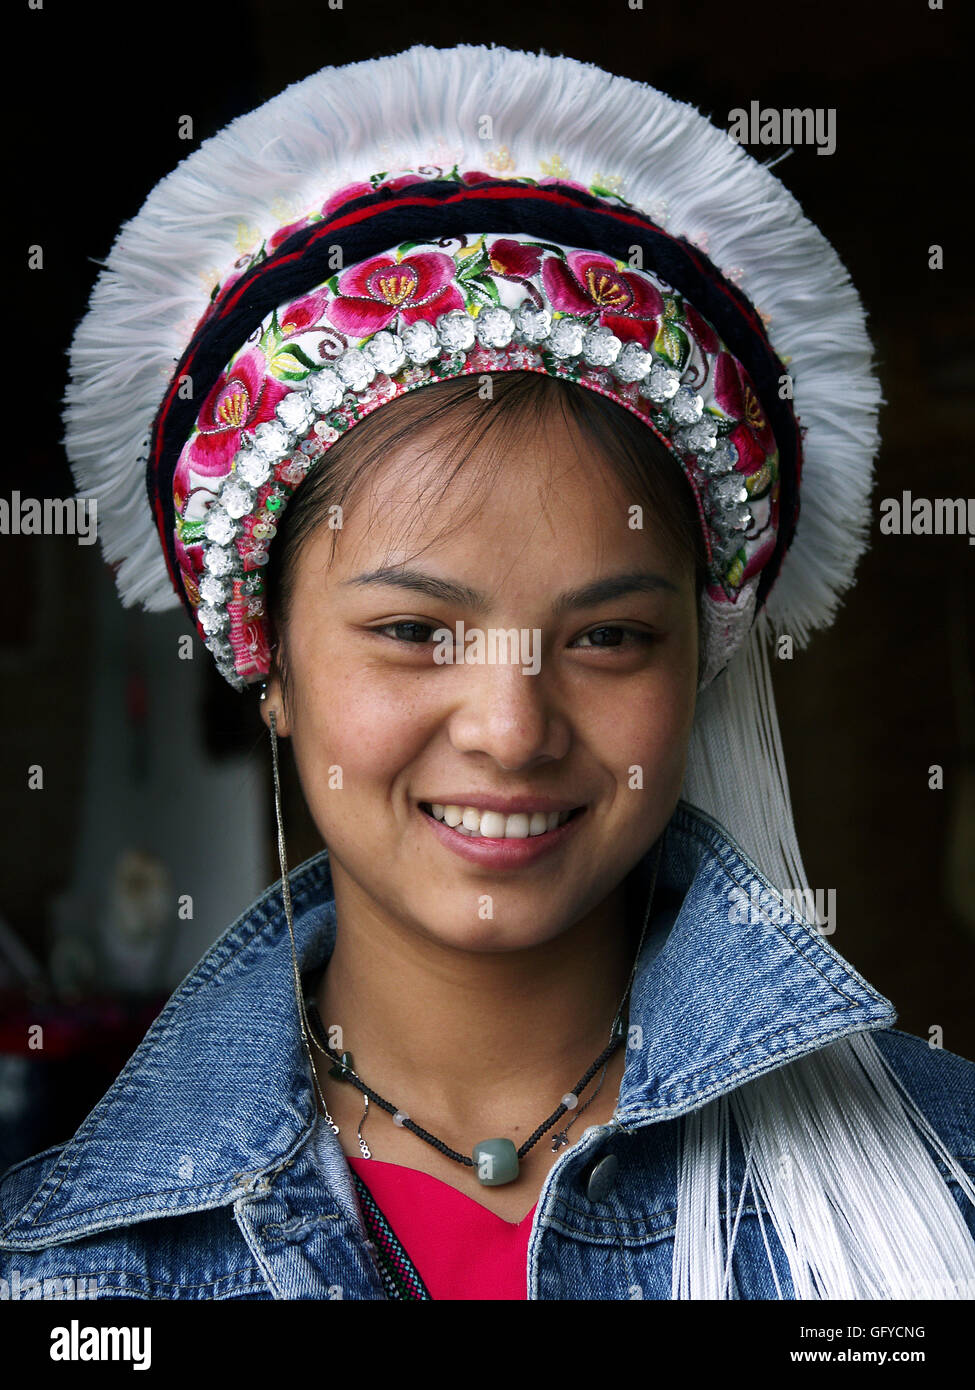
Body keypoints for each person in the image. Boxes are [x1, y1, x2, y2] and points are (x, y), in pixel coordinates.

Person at [1, 43, 973, 1302]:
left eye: (607, 636)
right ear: (270, 661)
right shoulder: (69, 1283)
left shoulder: (941, 1198)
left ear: (700, 663)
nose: (511, 730)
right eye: (414, 631)